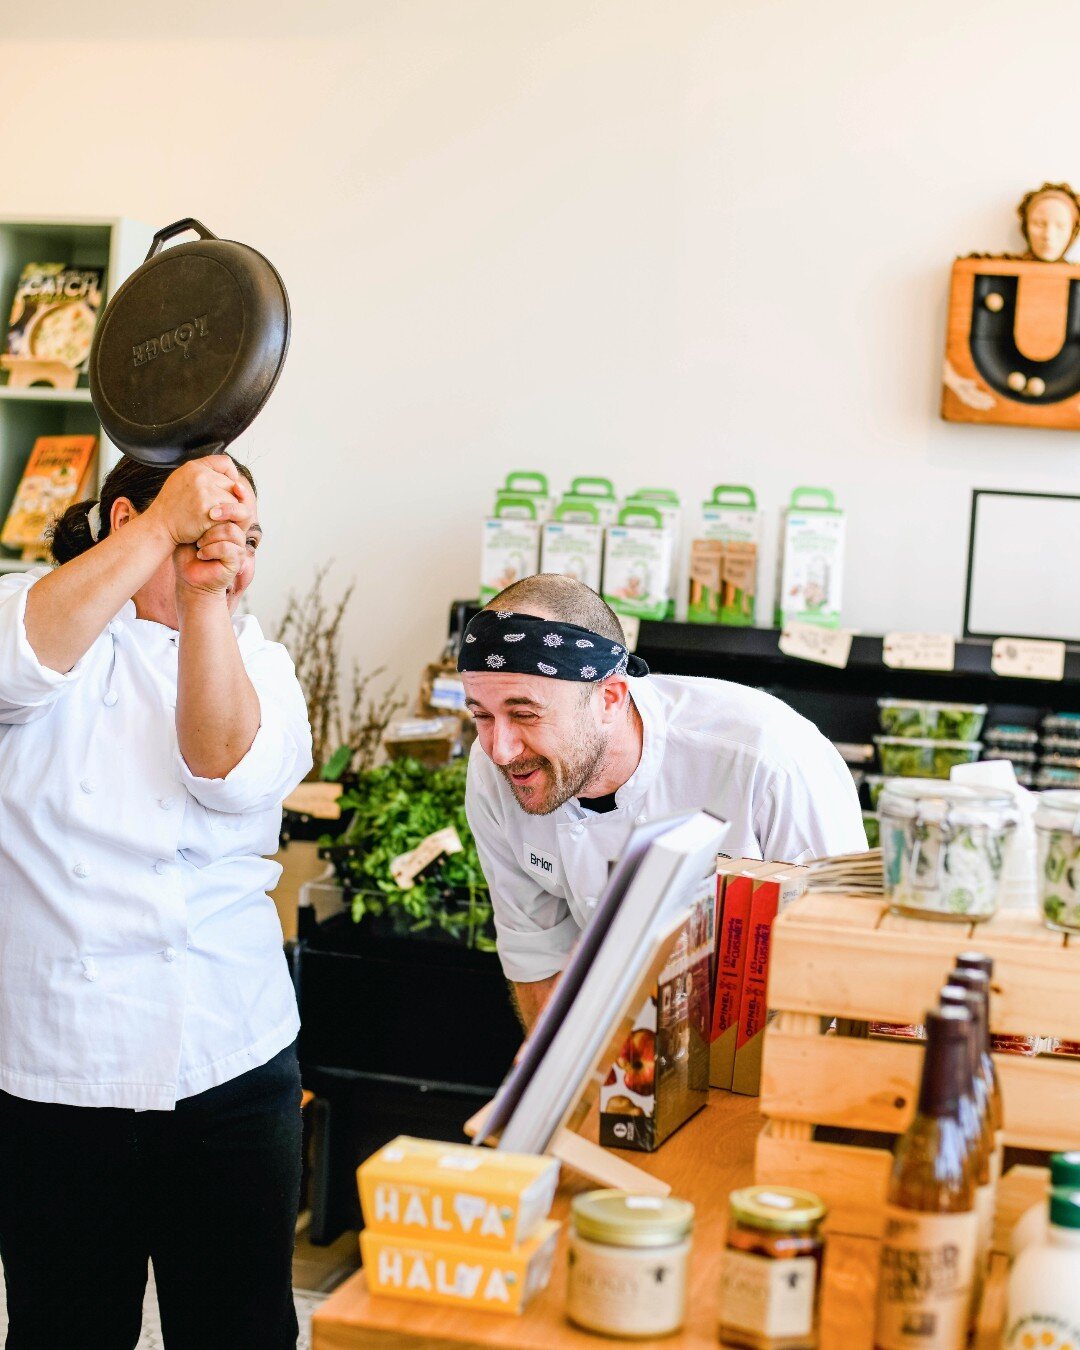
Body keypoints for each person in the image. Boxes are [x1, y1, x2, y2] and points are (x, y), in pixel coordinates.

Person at [0, 454, 313, 1350]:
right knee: (64, 1329)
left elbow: (219, 763)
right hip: (57, 1064)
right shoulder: (35, 614)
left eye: (246, 539)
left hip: (229, 1057)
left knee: (241, 1332)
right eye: (207, 525)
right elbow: (13, 666)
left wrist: (206, 591)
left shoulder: (264, 663)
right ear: (128, 517)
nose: (232, 553)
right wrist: (159, 534)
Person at [459, 574, 864, 1030]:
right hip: (621, 1043)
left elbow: (846, 957)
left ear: (609, 698)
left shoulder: (768, 758)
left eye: (525, 714)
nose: (501, 749)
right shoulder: (495, 771)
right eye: (481, 715)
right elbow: (537, 956)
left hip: (773, 1043)